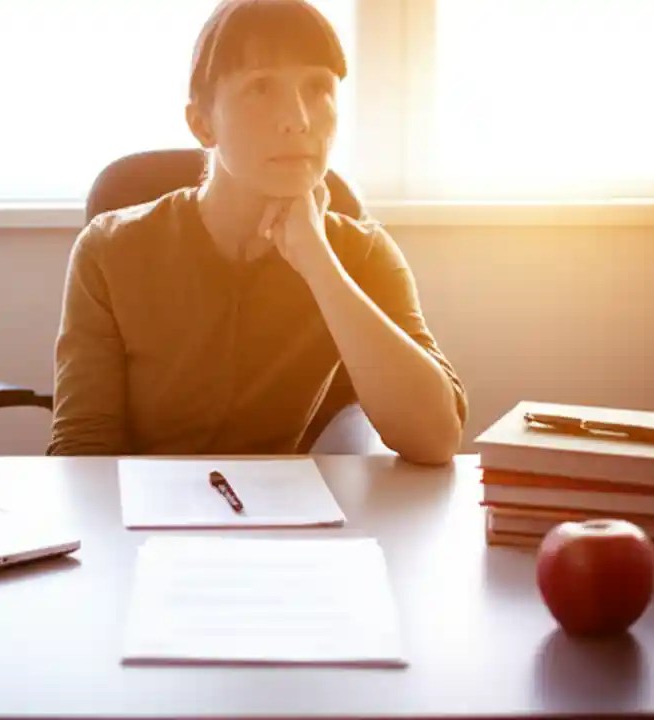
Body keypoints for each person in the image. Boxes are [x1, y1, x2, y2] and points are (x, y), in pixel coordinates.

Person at [47, 0, 467, 464]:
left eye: (318, 88)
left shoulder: (361, 253)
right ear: (202, 124)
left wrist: (318, 262)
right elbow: (83, 453)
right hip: (140, 504)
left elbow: (436, 439)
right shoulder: (110, 250)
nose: (298, 119)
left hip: (292, 506)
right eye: (261, 88)